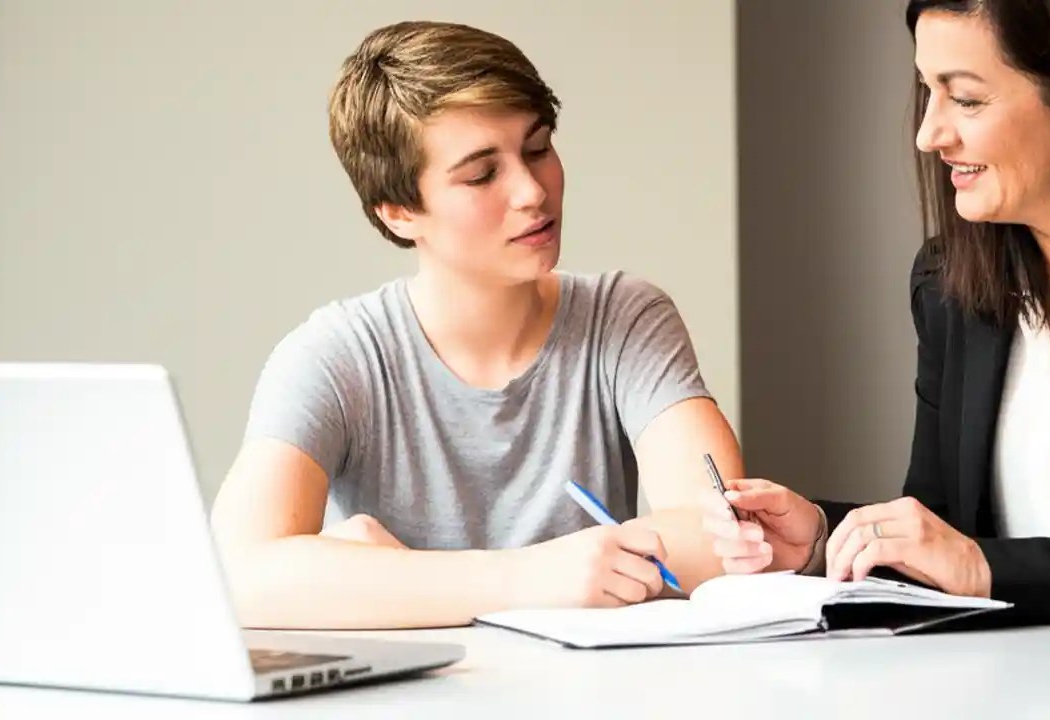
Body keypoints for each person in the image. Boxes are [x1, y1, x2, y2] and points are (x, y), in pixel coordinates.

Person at [210, 20, 741, 629]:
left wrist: (391, 579)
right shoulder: (336, 356)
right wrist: (532, 577)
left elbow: (719, 538)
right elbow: (237, 573)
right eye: (482, 174)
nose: (532, 191)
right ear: (399, 211)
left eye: (538, 148)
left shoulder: (625, 318)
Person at [703, 0, 1050, 624]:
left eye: (967, 99)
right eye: (927, 91)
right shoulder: (948, 284)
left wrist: (987, 570)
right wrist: (821, 538)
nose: (929, 134)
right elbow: (943, 530)